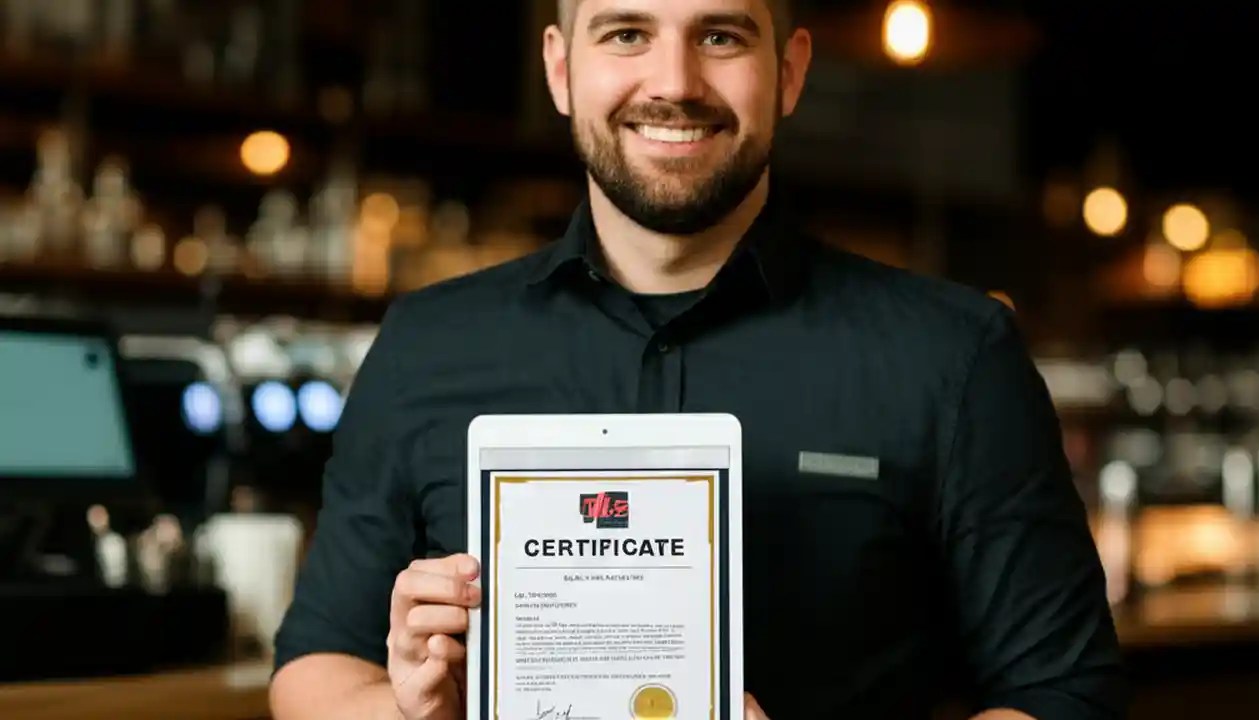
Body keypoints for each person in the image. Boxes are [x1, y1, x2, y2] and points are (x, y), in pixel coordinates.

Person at [268, 0, 1126, 718]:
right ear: (561, 69)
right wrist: (418, 708)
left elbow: (1068, 696)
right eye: (627, 33)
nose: (674, 83)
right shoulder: (427, 345)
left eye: (719, 35)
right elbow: (310, 678)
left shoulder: (954, 354)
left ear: (789, 71)